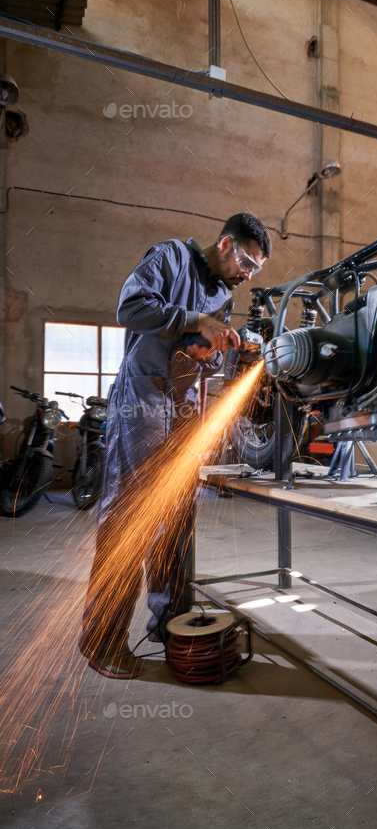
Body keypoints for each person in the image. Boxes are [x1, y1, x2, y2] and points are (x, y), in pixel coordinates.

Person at [79, 213, 271, 678]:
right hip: (142, 398)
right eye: (247, 261)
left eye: (256, 270)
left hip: (183, 404)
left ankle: (171, 624)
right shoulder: (170, 258)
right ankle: (102, 641)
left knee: (175, 517)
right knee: (131, 515)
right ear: (226, 244)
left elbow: (193, 351)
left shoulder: (223, 294)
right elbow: (131, 308)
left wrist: (208, 351)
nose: (248, 274)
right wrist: (196, 320)